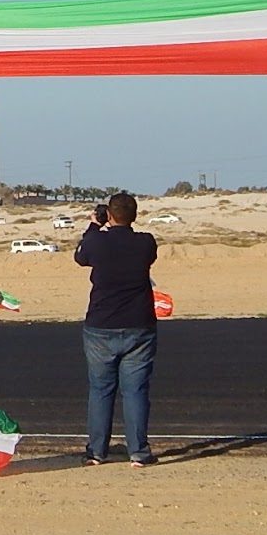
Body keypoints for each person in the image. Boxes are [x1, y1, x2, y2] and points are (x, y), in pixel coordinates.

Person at [74, 193, 158, 467]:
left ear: (109, 214)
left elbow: (81, 256)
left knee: (101, 389)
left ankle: (97, 451)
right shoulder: (145, 242)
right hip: (138, 325)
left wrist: (94, 226)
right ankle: (139, 452)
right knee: (135, 391)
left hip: (102, 325)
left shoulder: (98, 240)